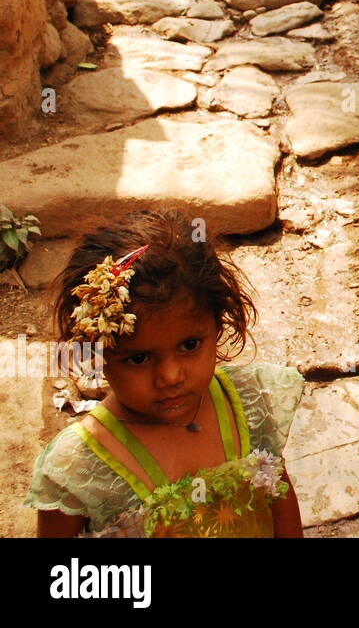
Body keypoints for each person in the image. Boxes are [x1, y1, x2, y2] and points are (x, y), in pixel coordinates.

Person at [28, 209, 305, 537]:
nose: (171, 376)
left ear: (217, 324)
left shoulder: (247, 404)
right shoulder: (81, 467)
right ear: (96, 352)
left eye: (189, 345)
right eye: (139, 358)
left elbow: (278, 495)